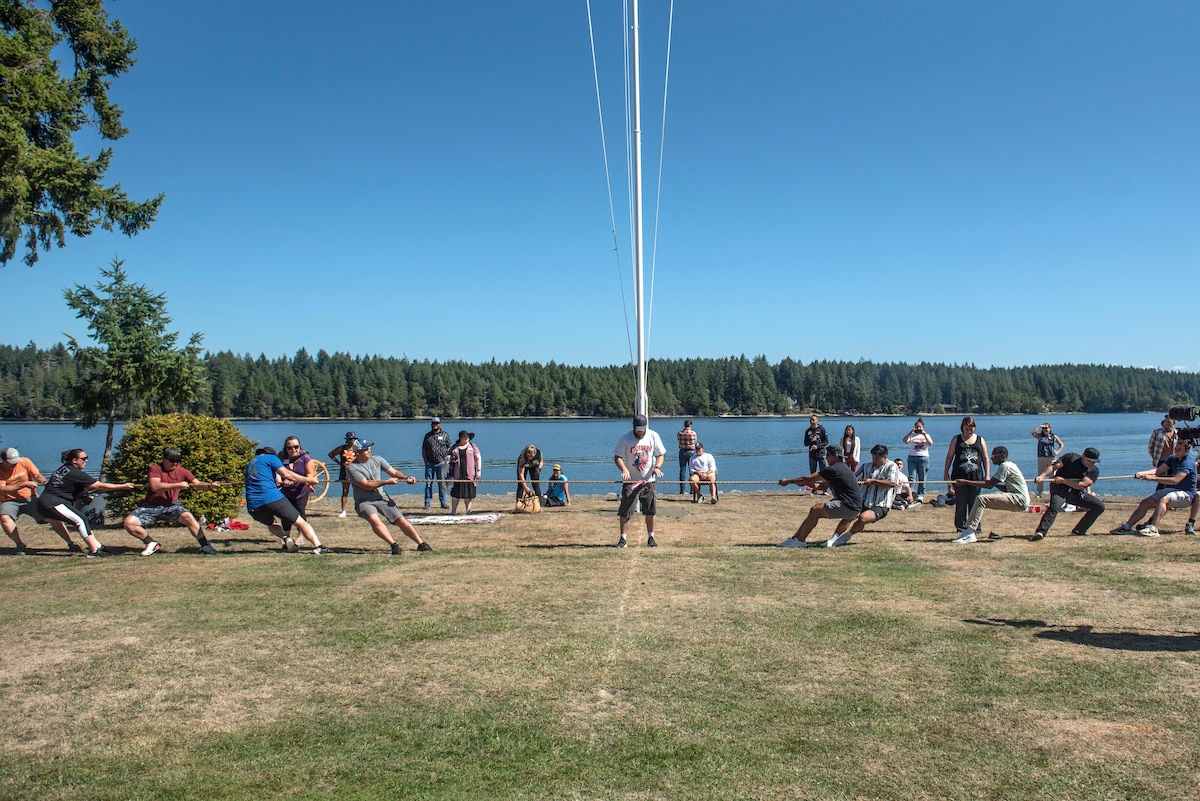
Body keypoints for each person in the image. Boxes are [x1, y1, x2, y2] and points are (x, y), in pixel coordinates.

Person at [121, 447, 223, 555]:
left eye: (177, 461)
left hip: (172, 506)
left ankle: (205, 546)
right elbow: (155, 486)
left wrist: (210, 486)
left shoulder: (182, 471)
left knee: (188, 517)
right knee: (129, 523)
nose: (175, 464)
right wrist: (178, 485)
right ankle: (151, 543)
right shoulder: (155, 468)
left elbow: (197, 484)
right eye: (172, 460)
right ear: (164, 459)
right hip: (150, 506)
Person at [35, 449, 137, 558]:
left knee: (80, 520)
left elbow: (70, 487)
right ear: (74, 460)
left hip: (45, 503)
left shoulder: (65, 469)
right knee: (81, 520)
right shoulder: (75, 473)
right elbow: (99, 486)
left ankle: (98, 546)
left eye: (87, 458)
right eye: (83, 459)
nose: (86, 460)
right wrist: (123, 486)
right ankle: (94, 551)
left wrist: (86, 496)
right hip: (53, 503)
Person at [346, 439, 432, 555]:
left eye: (369, 448)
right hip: (364, 501)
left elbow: (394, 472)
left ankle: (421, 544)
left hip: (381, 497)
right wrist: (386, 482)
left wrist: (406, 478)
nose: (369, 450)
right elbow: (365, 485)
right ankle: (394, 545)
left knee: (401, 520)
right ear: (358, 452)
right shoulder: (351, 468)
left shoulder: (377, 459)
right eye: (366, 449)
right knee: (374, 519)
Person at [776, 444, 864, 547]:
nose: (826, 458)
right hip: (853, 506)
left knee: (815, 510)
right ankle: (795, 539)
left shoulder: (834, 469)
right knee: (814, 512)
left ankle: (800, 541)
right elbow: (822, 486)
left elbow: (807, 478)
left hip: (850, 506)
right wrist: (807, 483)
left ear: (835, 456)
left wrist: (788, 481)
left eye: (828, 455)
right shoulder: (841, 468)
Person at [244, 446, 327, 553]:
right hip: (272, 498)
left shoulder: (251, 463)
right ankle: (318, 547)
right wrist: (308, 480)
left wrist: (282, 483)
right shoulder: (271, 458)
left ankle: (286, 538)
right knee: (300, 522)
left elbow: (269, 480)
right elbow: (286, 474)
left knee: (271, 524)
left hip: (253, 504)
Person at [818, 444, 900, 547]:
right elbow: (853, 479)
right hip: (863, 500)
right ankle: (833, 539)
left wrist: (873, 481)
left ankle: (847, 536)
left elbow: (892, 483)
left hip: (881, 504)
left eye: (877, 458)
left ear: (885, 457)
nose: (874, 460)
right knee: (849, 516)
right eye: (873, 457)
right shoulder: (866, 466)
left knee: (863, 518)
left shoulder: (892, 467)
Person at [1110, 439, 1196, 537]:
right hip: (1173, 491)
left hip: (1187, 494)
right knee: (1145, 502)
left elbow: (1175, 480)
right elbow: (1158, 471)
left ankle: (1153, 528)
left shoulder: (1188, 463)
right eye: (1175, 449)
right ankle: (1127, 527)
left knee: (1164, 499)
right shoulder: (1172, 458)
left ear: (1187, 451)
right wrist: (1143, 473)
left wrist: (1152, 478)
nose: (1176, 451)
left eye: (1179, 450)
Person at [951, 446, 1030, 543]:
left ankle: (970, 533)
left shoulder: (1005, 466)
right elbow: (1005, 488)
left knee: (981, 499)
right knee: (982, 499)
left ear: (1003, 456)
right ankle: (969, 532)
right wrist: (994, 484)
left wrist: (966, 482)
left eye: (994, 455)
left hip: (1018, 499)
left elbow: (989, 485)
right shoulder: (1010, 465)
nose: (991, 457)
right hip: (1020, 499)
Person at [614, 413, 667, 548]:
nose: (640, 433)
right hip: (631, 481)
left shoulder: (653, 436)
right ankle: (623, 539)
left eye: (642, 430)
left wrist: (657, 467)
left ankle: (651, 537)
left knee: (650, 511)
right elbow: (617, 457)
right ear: (633, 427)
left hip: (649, 481)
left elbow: (660, 455)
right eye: (638, 430)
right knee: (626, 511)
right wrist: (624, 470)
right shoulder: (625, 438)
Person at [0, 448, 67, 554]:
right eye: (11, 462)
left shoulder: (25, 462)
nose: (14, 464)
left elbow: (37, 476)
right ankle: (20, 545)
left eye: (16, 461)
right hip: (9, 500)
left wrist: (46, 484)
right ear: (3, 461)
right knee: (4, 517)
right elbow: (2, 489)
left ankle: (71, 543)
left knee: (52, 516)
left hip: (30, 498)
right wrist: (23, 485)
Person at [1032, 447, 1105, 540]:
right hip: (1059, 488)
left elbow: (1081, 485)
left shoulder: (1093, 471)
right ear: (1083, 456)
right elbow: (1053, 467)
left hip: (1076, 491)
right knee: (1055, 506)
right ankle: (1040, 532)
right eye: (1088, 460)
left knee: (1099, 506)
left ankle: (1079, 530)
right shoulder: (1070, 458)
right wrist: (1042, 476)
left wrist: (1063, 480)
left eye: (1093, 462)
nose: (1090, 463)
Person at [943, 416, 989, 535]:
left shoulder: (980, 440)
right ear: (962, 428)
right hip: (959, 475)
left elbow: (985, 458)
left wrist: (987, 474)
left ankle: (975, 526)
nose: (969, 431)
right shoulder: (956, 439)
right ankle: (961, 526)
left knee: (975, 502)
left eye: (971, 428)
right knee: (961, 501)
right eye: (967, 428)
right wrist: (946, 472)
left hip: (976, 477)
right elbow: (949, 456)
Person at [280, 436, 319, 542]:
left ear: (299, 446)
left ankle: (300, 536)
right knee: (285, 513)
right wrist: (283, 481)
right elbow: (277, 473)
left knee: (300, 511)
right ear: (285, 448)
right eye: (289, 448)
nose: (293, 449)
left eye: (296, 447)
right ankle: (287, 537)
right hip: (286, 491)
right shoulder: (281, 457)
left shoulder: (305, 457)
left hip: (301, 490)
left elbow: (310, 474)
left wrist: (308, 483)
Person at [447, 430, 481, 514]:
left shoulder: (473, 446)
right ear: (460, 438)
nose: (466, 438)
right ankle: (453, 512)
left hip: (470, 474)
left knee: (468, 494)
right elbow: (447, 458)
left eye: (467, 437)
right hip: (457, 474)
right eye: (464, 437)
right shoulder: (454, 447)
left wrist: (478, 470)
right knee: (455, 494)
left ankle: (468, 511)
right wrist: (451, 460)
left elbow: (478, 458)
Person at [421, 417, 452, 509]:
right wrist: (426, 461)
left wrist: (446, 460)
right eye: (433, 423)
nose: (435, 425)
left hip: (441, 464)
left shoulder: (445, 435)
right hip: (429, 464)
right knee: (428, 484)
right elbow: (424, 449)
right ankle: (427, 503)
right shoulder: (427, 436)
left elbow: (449, 448)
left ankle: (443, 502)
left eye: (437, 423)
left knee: (442, 484)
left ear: (440, 424)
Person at [327, 431, 359, 518]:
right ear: (347, 440)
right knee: (345, 491)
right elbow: (331, 454)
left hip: (356, 472)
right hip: (344, 472)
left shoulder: (357, 449)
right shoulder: (342, 448)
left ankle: (360, 508)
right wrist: (339, 463)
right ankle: (343, 510)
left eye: (353, 439)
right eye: (350, 439)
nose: (352, 441)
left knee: (359, 490)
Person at [902, 418, 933, 497]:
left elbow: (930, 443)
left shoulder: (926, 435)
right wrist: (910, 433)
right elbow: (905, 441)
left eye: (920, 427)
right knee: (912, 477)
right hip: (912, 457)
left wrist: (924, 434)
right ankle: (910, 493)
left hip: (923, 457)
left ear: (923, 427)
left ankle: (920, 494)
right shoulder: (912, 435)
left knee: (922, 477)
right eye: (917, 427)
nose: (918, 428)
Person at [1030, 423, 1064, 496]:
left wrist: (1057, 452)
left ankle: (1053, 491)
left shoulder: (1053, 437)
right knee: (1041, 474)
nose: (1045, 430)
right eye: (1044, 428)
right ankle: (1039, 492)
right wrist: (1039, 426)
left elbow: (1061, 444)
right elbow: (1033, 433)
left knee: (1052, 475)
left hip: (1051, 457)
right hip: (1042, 457)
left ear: (1050, 429)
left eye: (1047, 428)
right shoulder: (1040, 436)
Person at [803, 415, 829, 482]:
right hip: (812, 455)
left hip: (821, 454)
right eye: (810, 420)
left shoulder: (822, 429)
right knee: (813, 473)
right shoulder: (808, 431)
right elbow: (805, 443)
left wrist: (818, 446)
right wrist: (810, 441)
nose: (812, 421)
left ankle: (824, 486)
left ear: (817, 421)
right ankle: (813, 487)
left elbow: (826, 442)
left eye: (813, 420)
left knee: (824, 472)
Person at [676, 419, 697, 494]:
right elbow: (695, 442)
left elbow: (679, 442)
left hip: (682, 451)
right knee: (692, 470)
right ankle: (692, 489)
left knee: (682, 470)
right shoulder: (693, 433)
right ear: (690, 425)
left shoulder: (679, 433)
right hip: (691, 452)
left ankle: (682, 490)